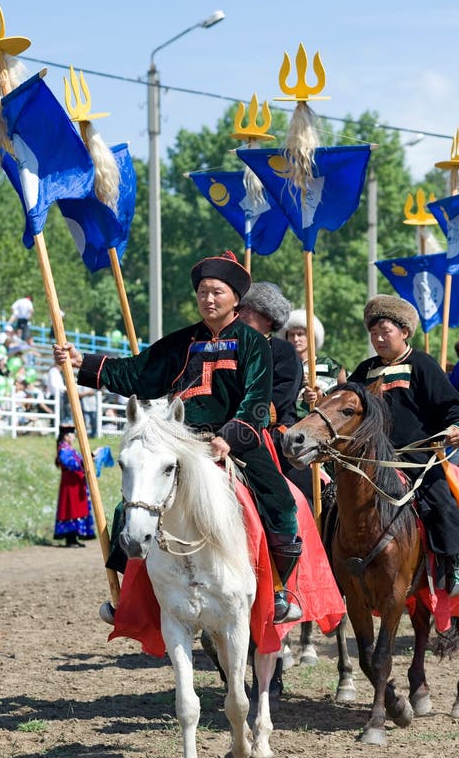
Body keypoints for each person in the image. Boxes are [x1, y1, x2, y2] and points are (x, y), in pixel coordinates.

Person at [53, 250, 302, 623]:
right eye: (202, 291)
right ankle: (135, 601)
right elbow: (138, 373)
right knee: (131, 504)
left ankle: (279, 590)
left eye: (217, 291)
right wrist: (81, 362)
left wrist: (229, 437)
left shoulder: (254, 344)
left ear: (236, 298)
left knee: (281, 502)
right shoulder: (182, 342)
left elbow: (255, 401)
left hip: (234, 440)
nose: (208, 299)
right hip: (179, 439)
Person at [330, 294, 459, 597]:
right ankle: (332, 573)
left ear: (405, 332)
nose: (379, 339)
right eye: (374, 333)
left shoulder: (421, 363)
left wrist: (458, 429)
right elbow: (343, 404)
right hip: (368, 461)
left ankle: (454, 566)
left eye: (386, 332)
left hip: (414, 459)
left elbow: (455, 408)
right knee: (334, 505)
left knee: (442, 503)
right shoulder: (365, 369)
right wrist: (320, 399)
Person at [237, 281, 303, 474]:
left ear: (268, 318)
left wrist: (246, 418)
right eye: (240, 308)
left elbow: (283, 394)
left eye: (249, 309)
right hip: (226, 429)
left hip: (273, 433)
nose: (241, 314)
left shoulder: (284, 351)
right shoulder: (230, 349)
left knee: (303, 490)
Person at [284, 308, 347, 415]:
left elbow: (346, 398)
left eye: (300, 334)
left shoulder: (330, 365)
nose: (295, 339)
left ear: (311, 336)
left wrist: (320, 395)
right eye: (291, 335)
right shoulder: (282, 367)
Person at [54, 424, 96, 548]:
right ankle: (70, 538)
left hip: (76, 485)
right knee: (70, 509)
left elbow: (81, 462)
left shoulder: (71, 450)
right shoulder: (63, 450)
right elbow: (72, 464)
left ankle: (74, 537)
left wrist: (91, 457)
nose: (73, 437)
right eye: (71, 434)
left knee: (77, 509)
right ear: (65, 436)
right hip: (70, 486)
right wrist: (87, 459)